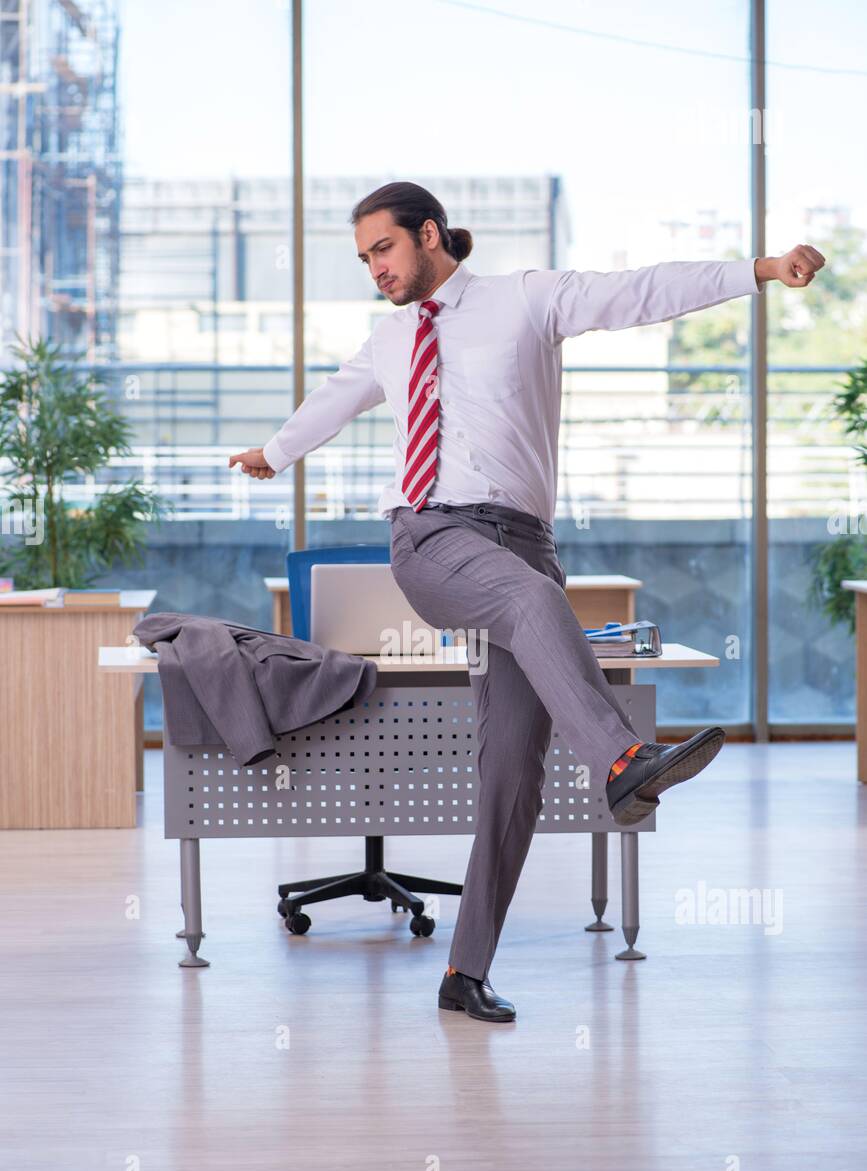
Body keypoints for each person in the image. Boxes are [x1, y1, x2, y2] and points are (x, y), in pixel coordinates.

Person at [229, 181, 825, 1024]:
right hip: (430, 537)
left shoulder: (523, 302)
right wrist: (274, 453)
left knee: (511, 771)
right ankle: (622, 762)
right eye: (364, 259)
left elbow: (639, 292)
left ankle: (461, 974)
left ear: (427, 234)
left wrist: (759, 269)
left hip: (523, 538)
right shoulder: (391, 338)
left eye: (383, 250)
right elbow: (333, 397)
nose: (375, 270)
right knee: (537, 605)